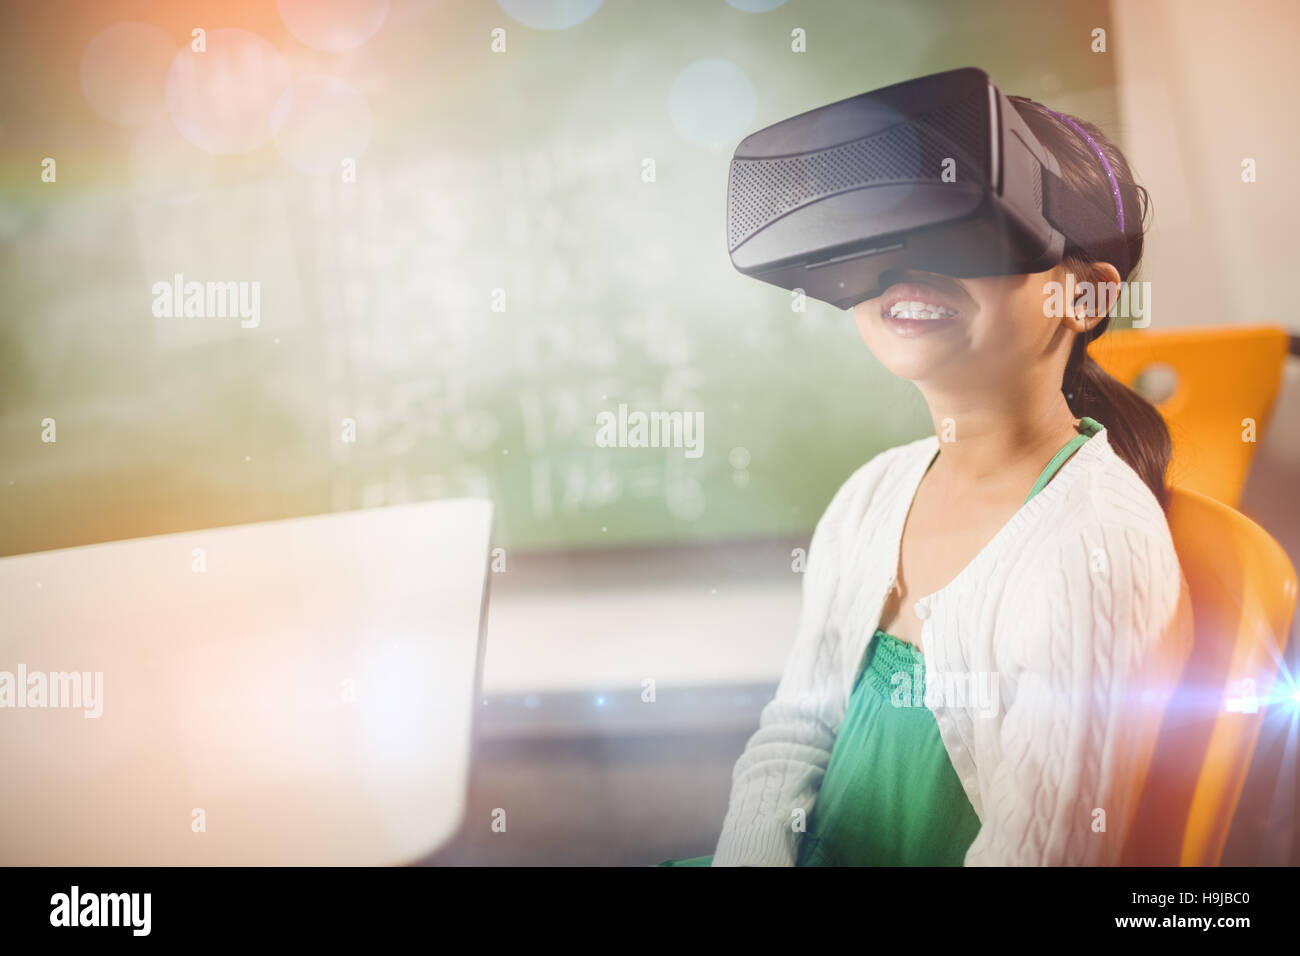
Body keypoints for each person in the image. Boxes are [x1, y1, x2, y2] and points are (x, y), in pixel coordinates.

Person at [662, 94, 1193, 867]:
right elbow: (795, 733)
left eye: (964, 229)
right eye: (883, 231)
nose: (906, 265)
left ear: (1085, 295)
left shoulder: (1092, 549)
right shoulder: (872, 494)